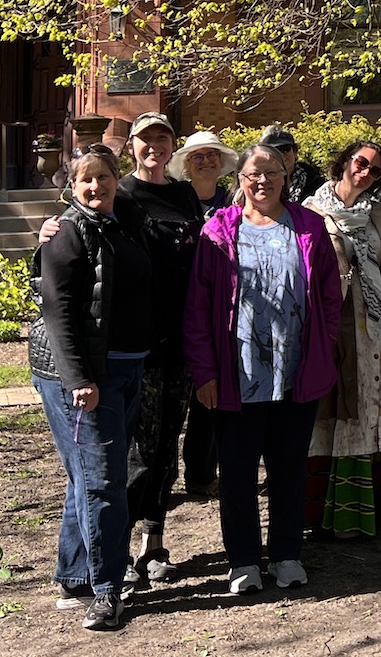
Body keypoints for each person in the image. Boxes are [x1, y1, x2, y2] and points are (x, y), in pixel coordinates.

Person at [183, 143, 341, 595]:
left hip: (295, 373)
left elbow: (330, 296)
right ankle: (244, 561)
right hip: (237, 374)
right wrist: (205, 373)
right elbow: (198, 307)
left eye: (271, 172)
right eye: (254, 173)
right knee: (236, 473)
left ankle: (288, 554)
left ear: (284, 177)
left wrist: (321, 345)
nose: (262, 181)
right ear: (241, 179)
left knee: (290, 469)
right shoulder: (218, 231)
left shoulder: (308, 227)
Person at [30, 145, 154, 631]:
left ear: (116, 179)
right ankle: (108, 589)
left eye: (103, 177)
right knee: (104, 481)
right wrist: (79, 379)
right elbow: (57, 310)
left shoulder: (128, 220)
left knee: (89, 475)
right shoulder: (66, 232)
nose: (96, 187)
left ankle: (76, 574)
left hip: (128, 368)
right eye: (86, 180)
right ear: (72, 185)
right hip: (83, 377)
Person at [109, 112, 205, 585]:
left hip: (181, 340)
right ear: (132, 146)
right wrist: (50, 231)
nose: (154, 147)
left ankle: (155, 541)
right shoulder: (122, 194)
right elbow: (84, 224)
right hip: (137, 343)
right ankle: (120, 547)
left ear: (172, 146)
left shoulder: (185, 194)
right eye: (145, 140)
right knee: (138, 448)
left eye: (162, 140)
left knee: (169, 441)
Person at [304, 141, 381, 536]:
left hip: (378, 327)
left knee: (377, 406)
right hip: (336, 328)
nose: (366, 172)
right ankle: (337, 513)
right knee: (338, 408)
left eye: (376, 170)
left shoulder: (378, 216)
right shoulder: (312, 214)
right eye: (361, 162)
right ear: (345, 162)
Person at [168, 129, 239, 497]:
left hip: (217, 313)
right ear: (186, 164)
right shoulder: (175, 201)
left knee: (209, 397)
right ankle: (163, 479)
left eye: (212, 155)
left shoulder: (233, 204)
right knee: (173, 398)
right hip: (175, 309)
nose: (207, 161)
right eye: (198, 156)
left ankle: (200, 473)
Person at [261, 123, 325, 204]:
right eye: (275, 151)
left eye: (285, 149)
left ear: (295, 152)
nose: (281, 154)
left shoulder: (314, 182)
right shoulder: (259, 182)